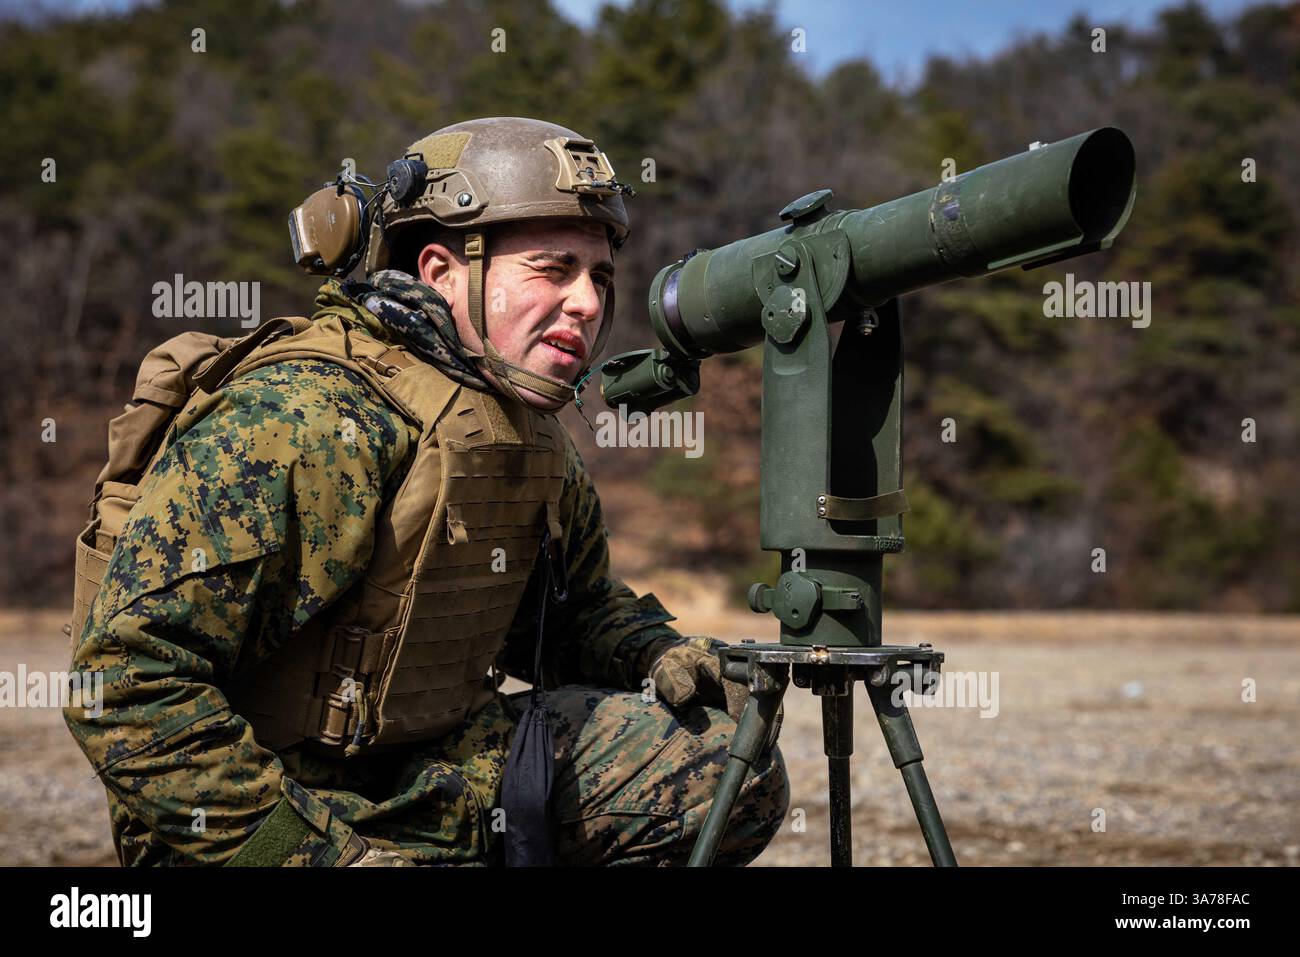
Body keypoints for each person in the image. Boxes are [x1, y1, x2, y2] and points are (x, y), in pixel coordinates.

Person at [64, 116, 789, 867]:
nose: (587, 302)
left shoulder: (520, 426)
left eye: (600, 276)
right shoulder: (304, 418)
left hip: (436, 780)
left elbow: (568, 617)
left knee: (724, 765)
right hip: (270, 810)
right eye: (553, 268)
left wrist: (654, 653)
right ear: (442, 272)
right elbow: (121, 682)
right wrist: (318, 858)